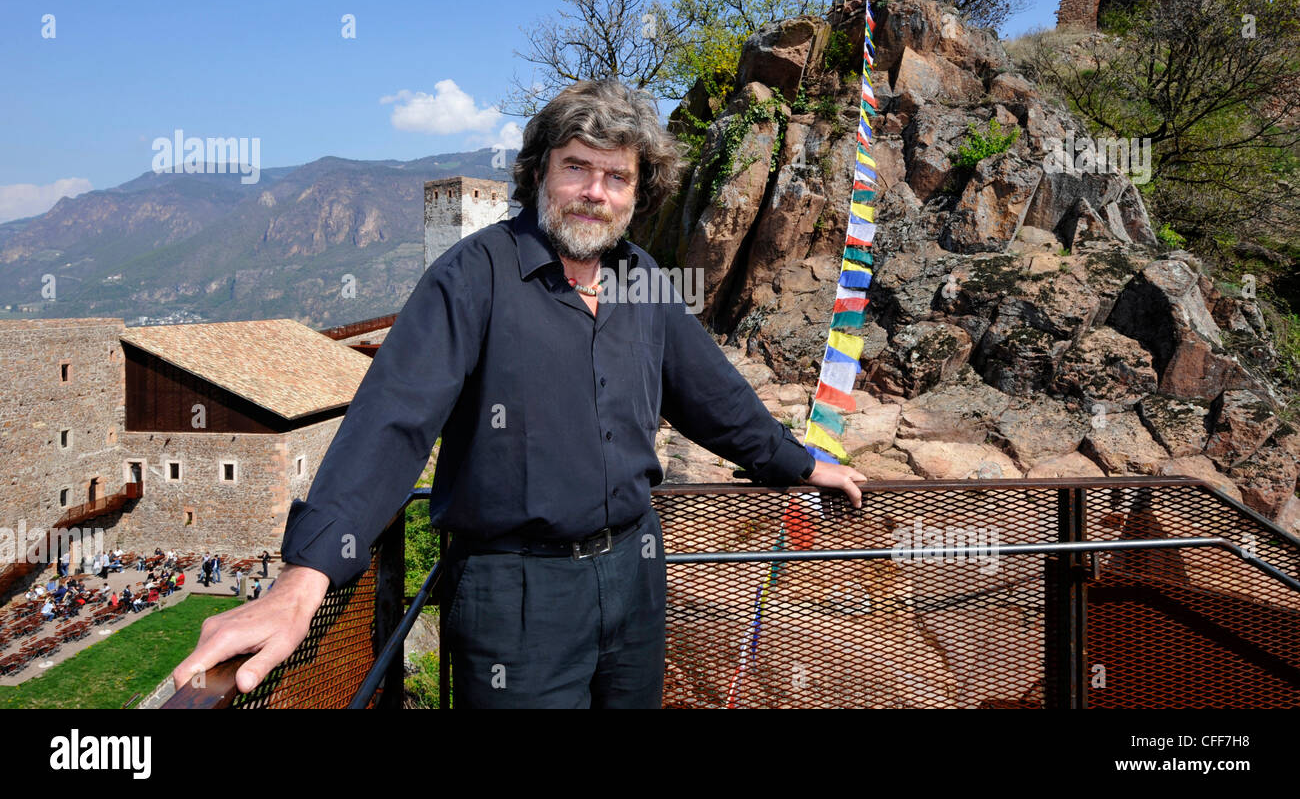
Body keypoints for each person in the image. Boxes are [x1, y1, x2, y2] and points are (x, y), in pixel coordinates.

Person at [172, 79, 866, 707]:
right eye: (577, 168)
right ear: (539, 175)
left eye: (617, 177)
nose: (597, 192)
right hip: (515, 596)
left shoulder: (642, 279)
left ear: (637, 192)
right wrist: (306, 575)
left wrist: (799, 464)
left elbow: (710, 394)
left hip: (635, 574)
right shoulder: (472, 277)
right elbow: (393, 423)